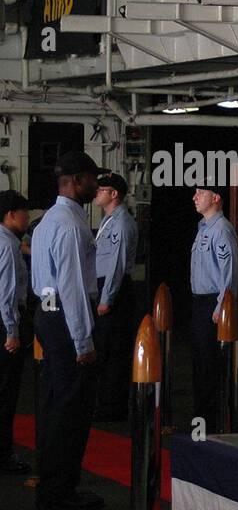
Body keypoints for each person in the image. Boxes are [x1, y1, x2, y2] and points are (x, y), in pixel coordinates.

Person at [30, 151, 105, 510]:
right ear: (77, 181)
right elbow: (73, 287)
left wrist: (50, 317)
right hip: (65, 318)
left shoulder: (46, 221)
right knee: (71, 408)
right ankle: (61, 489)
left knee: (53, 403)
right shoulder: (72, 225)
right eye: (93, 179)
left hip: (47, 312)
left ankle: (50, 482)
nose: (97, 185)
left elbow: (43, 284)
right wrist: (83, 339)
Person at [189, 186, 238, 430]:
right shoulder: (203, 229)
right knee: (200, 363)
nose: (195, 197)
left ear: (216, 198)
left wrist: (222, 305)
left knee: (210, 366)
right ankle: (201, 419)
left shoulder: (221, 229)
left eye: (201, 192)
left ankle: (210, 422)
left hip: (213, 303)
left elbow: (228, 272)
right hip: (200, 301)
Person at [91, 172, 138, 420]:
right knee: (105, 348)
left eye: (101, 189)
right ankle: (106, 403)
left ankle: (113, 407)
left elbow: (117, 265)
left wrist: (106, 298)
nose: (96, 192)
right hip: (104, 286)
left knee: (114, 350)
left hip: (115, 290)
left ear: (113, 194)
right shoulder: (109, 220)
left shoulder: (121, 223)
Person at [0, 190, 31, 474]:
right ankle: (4, 455)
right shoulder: (8, 246)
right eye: (25, 212)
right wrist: (12, 331)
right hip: (6, 323)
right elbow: (7, 293)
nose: (28, 217)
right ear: (11, 215)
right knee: (7, 393)